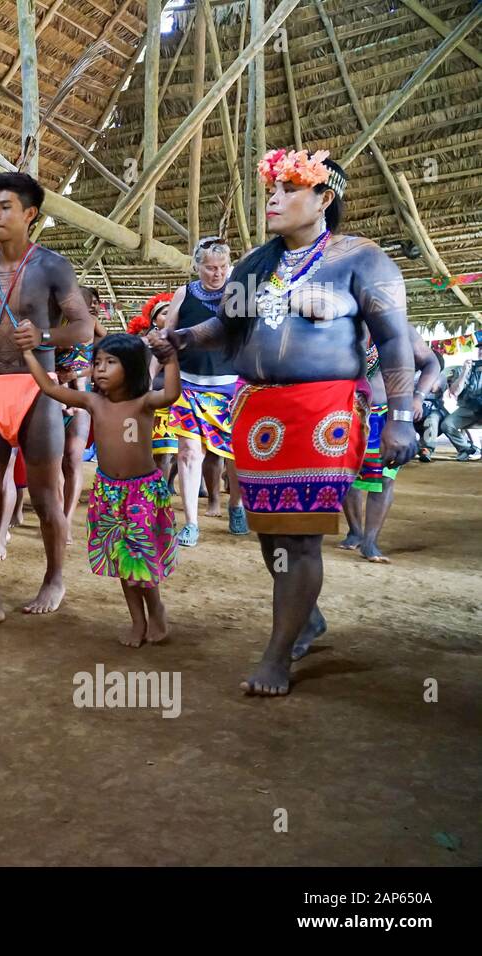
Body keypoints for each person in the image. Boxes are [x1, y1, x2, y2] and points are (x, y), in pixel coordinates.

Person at [152, 148, 416, 696]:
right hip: (256, 412)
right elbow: (224, 328)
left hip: (325, 412)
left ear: (325, 198)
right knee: (271, 532)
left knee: (299, 540)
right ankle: (307, 617)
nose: (273, 198)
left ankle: (277, 656)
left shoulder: (361, 260)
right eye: (271, 188)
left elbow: (393, 343)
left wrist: (402, 417)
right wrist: (183, 338)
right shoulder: (259, 263)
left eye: (288, 189)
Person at [0, 172, 94, 630]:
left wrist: (44, 334)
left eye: (5, 207)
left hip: (37, 388)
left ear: (30, 215)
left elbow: (83, 327)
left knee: (47, 497)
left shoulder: (52, 266)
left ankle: (55, 578)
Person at [21, 331, 180, 646]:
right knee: (124, 561)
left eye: (111, 362)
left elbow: (171, 394)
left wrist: (171, 359)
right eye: (97, 363)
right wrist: (28, 353)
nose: (101, 369)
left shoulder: (145, 401)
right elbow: (50, 387)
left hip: (143, 495)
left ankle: (156, 608)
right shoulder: (93, 402)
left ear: (132, 367)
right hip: (109, 493)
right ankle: (137, 620)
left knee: (142, 562)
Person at [159, 236, 247, 543]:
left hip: (229, 389)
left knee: (234, 454)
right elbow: (167, 335)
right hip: (187, 386)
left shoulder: (237, 293)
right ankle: (192, 523)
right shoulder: (184, 293)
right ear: (197, 267)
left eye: (223, 267)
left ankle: (236, 504)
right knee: (188, 453)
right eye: (210, 268)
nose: (217, 273)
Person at [339, 327, 439, 564]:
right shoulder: (342, 321)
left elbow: (431, 363)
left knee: (384, 477)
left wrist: (418, 397)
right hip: (345, 413)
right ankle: (355, 531)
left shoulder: (397, 326)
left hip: (385, 415)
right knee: (347, 476)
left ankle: (371, 540)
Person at [59, 285, 109, 543]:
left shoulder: (90, 326)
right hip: (55, 395)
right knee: (55, 461)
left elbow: (101, 364)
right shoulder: (56, 323)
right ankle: (58, 517)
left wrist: (76, 374)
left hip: (80, 398)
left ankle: (66, 519)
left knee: (73, 459)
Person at [135, 292, 179, 485]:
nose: (168, 316)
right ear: (153, 318)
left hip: (169, 401)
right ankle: (145, 486)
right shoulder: (139, 343)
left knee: (167, 451)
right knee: (144, 449)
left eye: (172, 313)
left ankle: (162, 488)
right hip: (145, 401)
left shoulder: (180, 340)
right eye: (164, 313)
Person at [443, 356, 482, 460]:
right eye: (480, 349)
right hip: (468, 408)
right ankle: (468, 449)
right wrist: (465, 372)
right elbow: (454, 392)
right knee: (447, 424)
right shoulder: (463, 369)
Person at [416, 351, 447, 461]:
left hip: (435, 410)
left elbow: (434, 388)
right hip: (417, 408)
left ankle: (427, 449)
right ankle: (413, 447)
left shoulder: (441, 376)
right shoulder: (415, 373)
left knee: (431, 420)